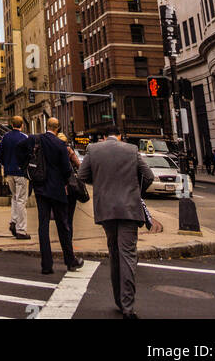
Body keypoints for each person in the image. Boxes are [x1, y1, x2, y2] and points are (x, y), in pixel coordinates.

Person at [78, 124, 153, 319]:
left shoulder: (93, 149)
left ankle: (119, 300)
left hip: (106, 209)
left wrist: (102, 184)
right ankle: (128, 307)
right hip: (129, 208)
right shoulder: (131, 149)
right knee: (128, 256)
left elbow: (82, 176)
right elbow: (149, 176)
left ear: (104, 136)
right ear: (119, 136)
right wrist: (136, 191)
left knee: (114, 253)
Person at [27, 120, 85, 276]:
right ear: (57, 128)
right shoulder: (60, 145)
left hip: (40, 188)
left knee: (43, 226)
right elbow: (67, 170)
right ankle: (70, 260)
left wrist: (27, 170)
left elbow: (21, 151)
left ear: (47, 127)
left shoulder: (35, 139)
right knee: (63, 225)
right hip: (57, 189)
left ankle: (46, 264)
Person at [0, 115, 31, 239]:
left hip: (9, 172)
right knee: (22, 200)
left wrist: (5, 165)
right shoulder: (24, 138)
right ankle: (21, 229)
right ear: (22, 125)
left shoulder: (5, 137)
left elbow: (0, 154)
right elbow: (29, 155)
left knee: (14, 197)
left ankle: (14, 221)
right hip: (20, 173)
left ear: (11, 124)